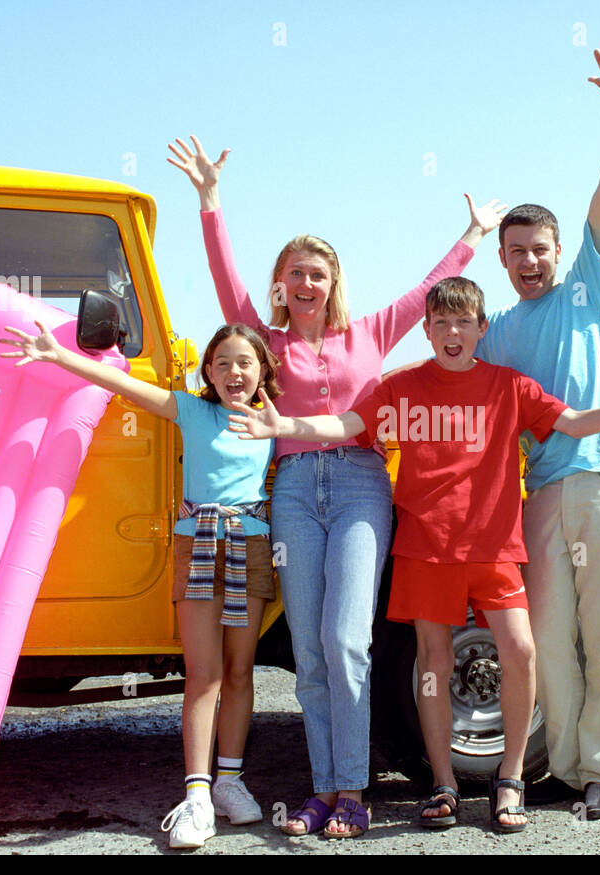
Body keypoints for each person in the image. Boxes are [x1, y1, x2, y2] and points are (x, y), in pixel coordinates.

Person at [227, 276, 600, 832]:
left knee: (520, 651)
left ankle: (510, 778)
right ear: (426, 330)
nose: (451, 332)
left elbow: (573, 424)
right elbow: (348, 425)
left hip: (493, 549)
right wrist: (286, 425)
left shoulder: (510, 386)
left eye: (463, 322)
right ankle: (442, 783)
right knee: (432, 668)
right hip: (426, 548)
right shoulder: (402, 387)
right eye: (440, 322)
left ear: (480, 328)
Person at [168, 135, 505, 838]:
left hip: (358, 487)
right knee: (312, 649)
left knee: (349, 640)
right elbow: (225, 279)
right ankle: (324, 791)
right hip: (290, 488)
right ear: (281, 284)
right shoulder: (264, 340)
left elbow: (424, 294)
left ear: (333, 282)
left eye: (317, 273)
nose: (306, 283)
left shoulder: (371, 333)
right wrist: (209, 201)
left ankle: (355, 790)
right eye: (295, 273)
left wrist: (472, 236)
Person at [0, 320, 281, 849]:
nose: (234, 372)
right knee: (204, 674)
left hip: (254, 542)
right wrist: (57, 355)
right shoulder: (193, 411)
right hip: (196, 541)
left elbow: (334, 419)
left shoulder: (274, 421)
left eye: (245, 362)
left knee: (242, 671)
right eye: (222, 363)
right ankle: (197, 794)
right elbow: (124, 386)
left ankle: (230, 781)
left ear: (263, 368)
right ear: (209, 373)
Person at [473, 38, 600, 819]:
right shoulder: (493, 337)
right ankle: (566, 763)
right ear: (502, 259)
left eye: (539, 250)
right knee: (551, 641)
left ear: (559, 253)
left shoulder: (588, 285)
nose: (528, 261)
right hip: (542, 490)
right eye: (514, 252)